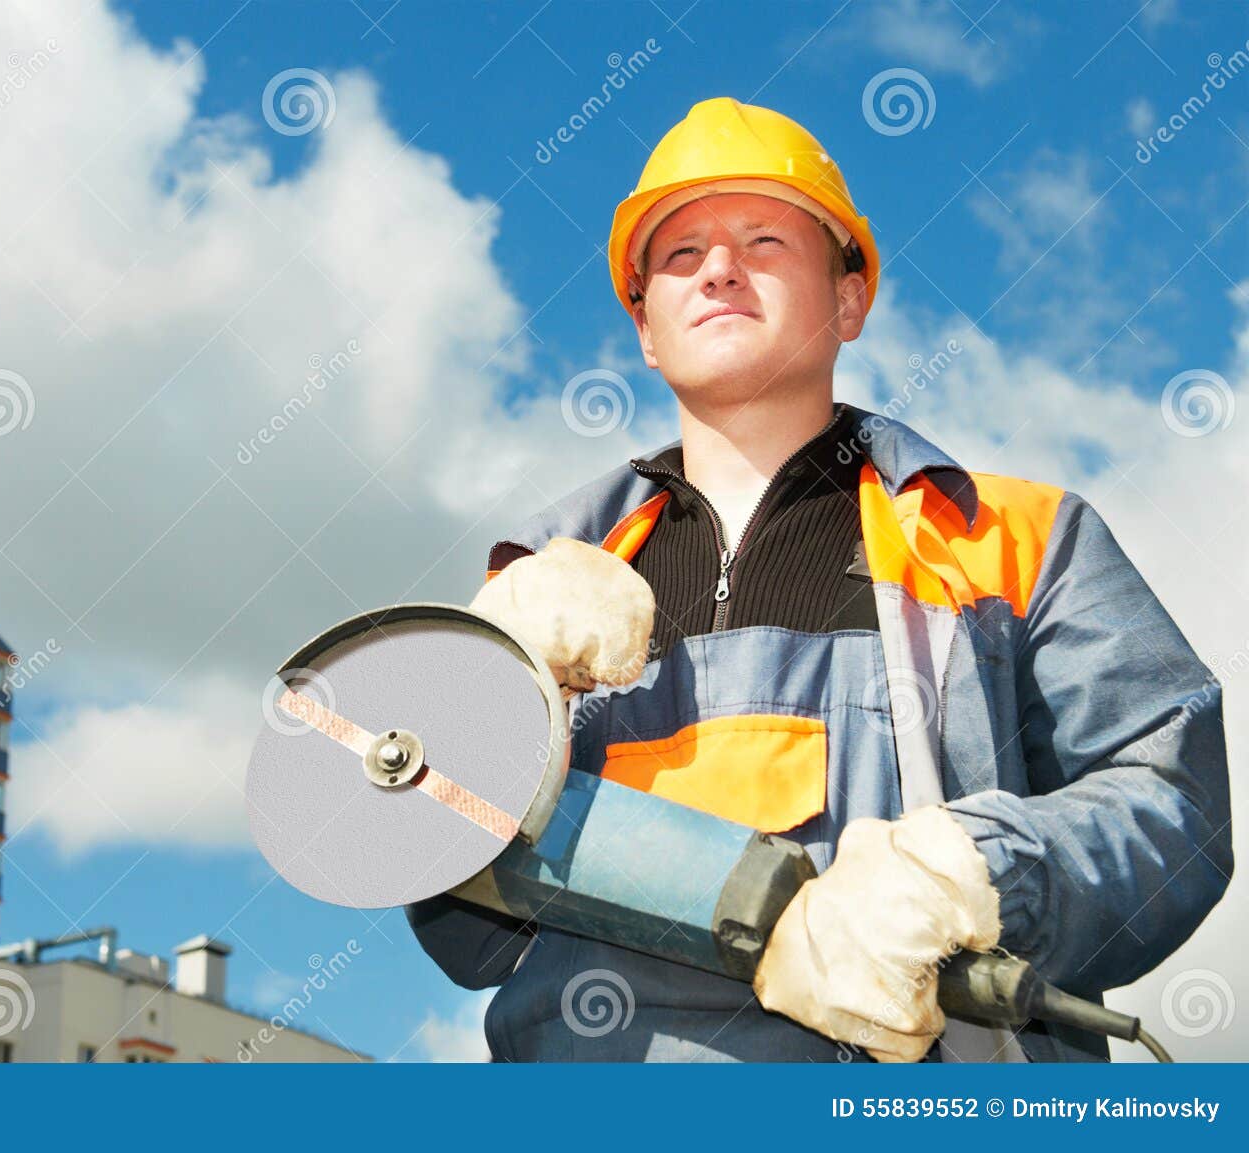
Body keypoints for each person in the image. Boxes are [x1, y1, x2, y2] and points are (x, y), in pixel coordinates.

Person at [405, 97, 1233, 1062]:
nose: (718, 267)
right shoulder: (541, 578)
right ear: (644, 328)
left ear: (849, 299)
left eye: (762, 238)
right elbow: (454, 920)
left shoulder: (1015, 538)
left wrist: (978, 875)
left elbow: (1174, 798)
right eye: (680, 255)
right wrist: (473, 703)